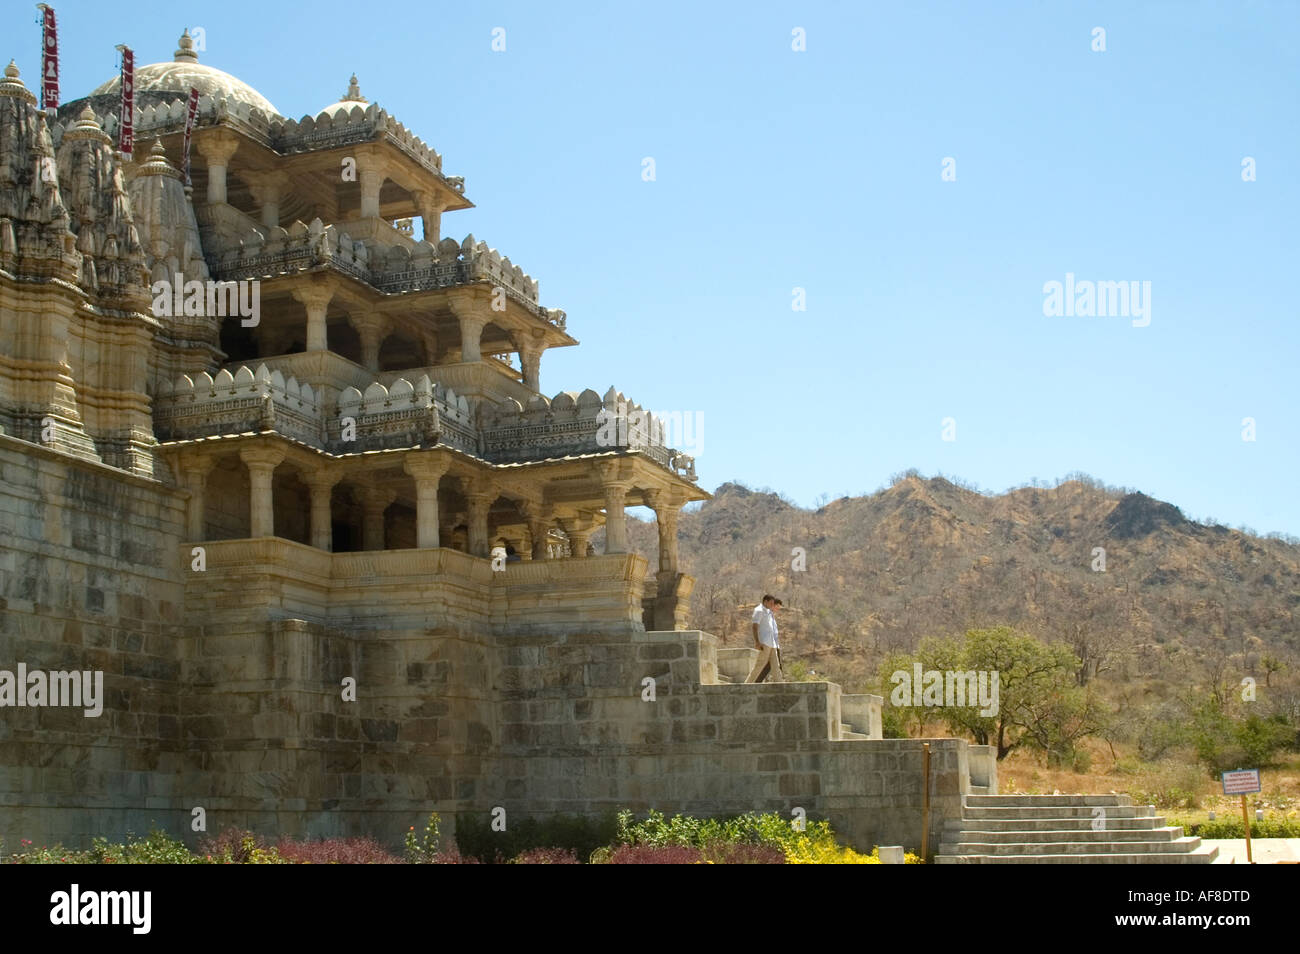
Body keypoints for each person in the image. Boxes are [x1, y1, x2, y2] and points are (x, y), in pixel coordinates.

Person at [745, 594, 783, 683]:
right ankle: (748, 684)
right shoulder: (759, 610)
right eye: (771, 603)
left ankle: (780, 684)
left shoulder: (769, 612)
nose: (772, 605)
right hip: (764, 642)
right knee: (760, 664)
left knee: (775, 665)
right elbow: (755, 626)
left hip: (772, 643)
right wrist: (757, 642)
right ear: (765, 601)